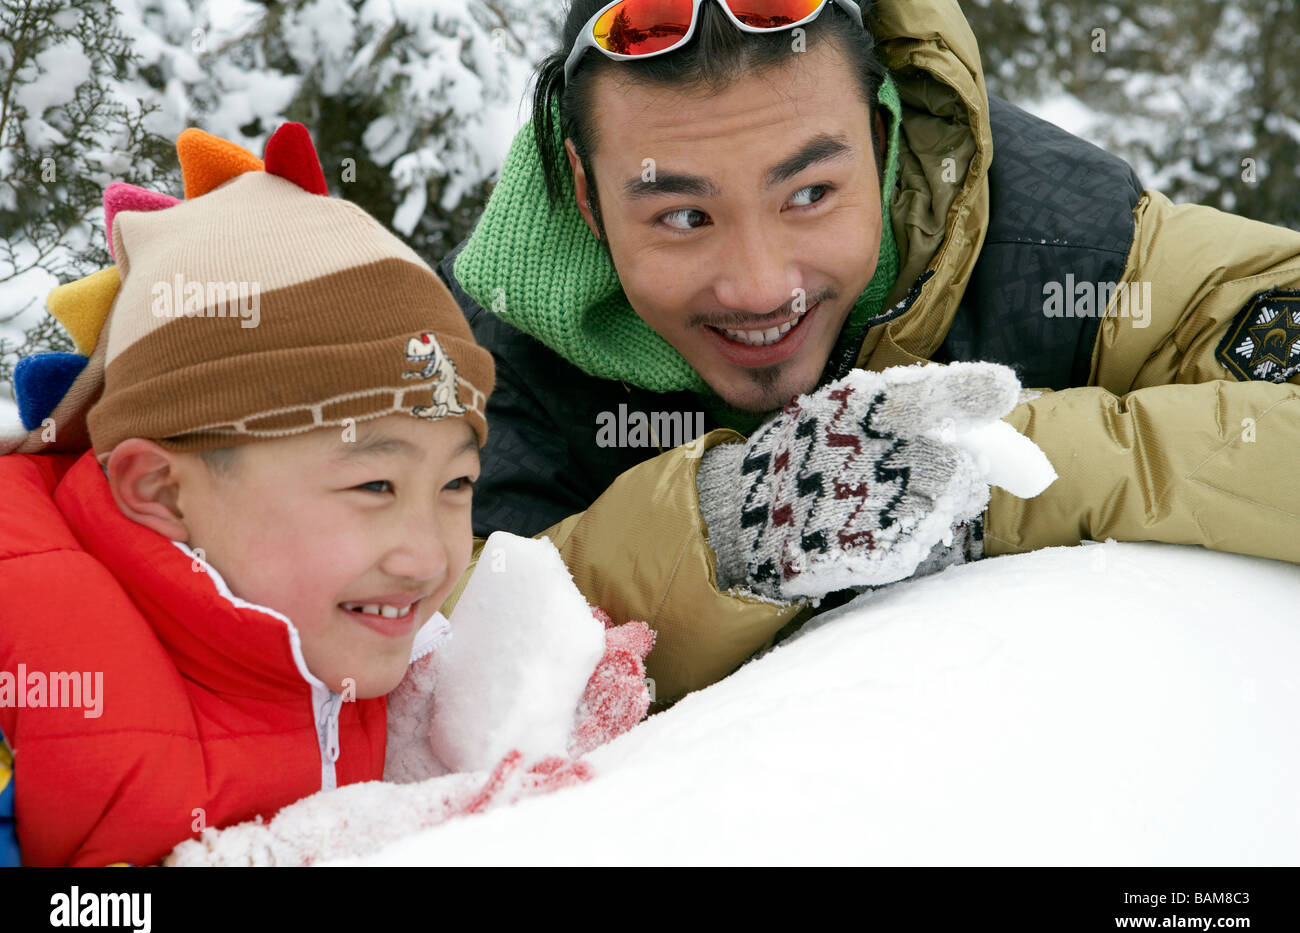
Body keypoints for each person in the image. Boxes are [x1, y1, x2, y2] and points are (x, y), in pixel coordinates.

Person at [432, 0, 1300, 707]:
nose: (761, 286)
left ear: (884, 146)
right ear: (587, 197)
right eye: (684, 217)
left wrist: (982, 477)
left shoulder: (1067, 246)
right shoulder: (476, 366)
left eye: (809, 192)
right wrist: (739, 531)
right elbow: (418, 660)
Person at [0, 123, 649, 866]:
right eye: (374, 483)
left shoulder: (330, 630)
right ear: (162, 490)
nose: (427, 558)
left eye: (455, 483)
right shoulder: (25, 670)